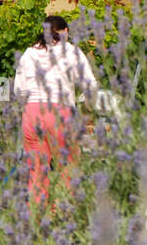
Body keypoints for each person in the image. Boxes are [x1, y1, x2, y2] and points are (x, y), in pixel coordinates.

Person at [13, 15, 100, 206]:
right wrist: (86, 106)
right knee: (67, 168)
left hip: (32, 113)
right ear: (65, 32)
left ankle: (37, 220)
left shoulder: (28, 54)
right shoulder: (71, 52)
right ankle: (61, 216)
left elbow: (18, 90)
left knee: (36, 171)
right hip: (60, 112)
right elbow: (89, 85)